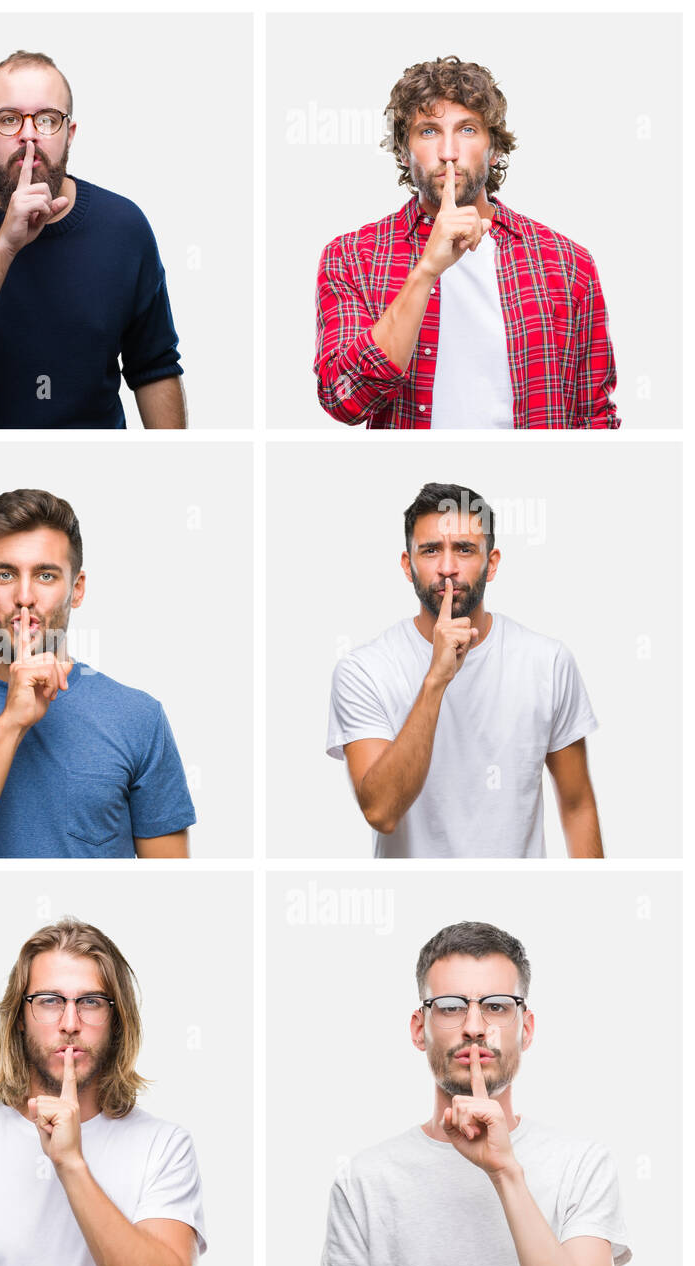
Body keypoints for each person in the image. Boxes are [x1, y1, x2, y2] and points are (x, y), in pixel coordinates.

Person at [0, 918, 206, 1266]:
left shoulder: (165, 1148)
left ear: (116, 1019)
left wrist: (70, 1163)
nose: (70, 1023)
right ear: (20, 1018)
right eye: (49, 1001)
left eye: (91, 1002)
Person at [319, 922, 630, 1266]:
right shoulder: (363, 1181)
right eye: (450, 1007)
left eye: (496, 1006)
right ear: (419, 1030)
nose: (474, 1027)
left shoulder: (582, 1166)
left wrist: (505, 1173)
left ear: (526, 1029)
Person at [314, 55, 618, 429]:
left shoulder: (568, 262)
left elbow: (594, 419)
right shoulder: (352, 256)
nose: (448, 152)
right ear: (404, 150)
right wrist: (426, 271)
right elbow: (343, 399)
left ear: (494, 149)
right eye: (428, 131)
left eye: (468, 130)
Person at [0, 488, 195, 857]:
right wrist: (11, 724)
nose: (25, 596)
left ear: (77, 589)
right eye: (4, 575)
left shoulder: (140, 717)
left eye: (46, 576)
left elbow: (168, 891)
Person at [0, 50, 186, 429]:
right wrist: (4, 245)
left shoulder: (125, 225)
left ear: (69, 133)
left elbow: (155, 367)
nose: (29, 134)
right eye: (9, 120)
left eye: (47, 120)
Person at [326, 482, 602, 857]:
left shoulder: (547, 661)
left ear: (492, 563)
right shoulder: (363, 670)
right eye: (430, 550)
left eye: (465, 549)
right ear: (408, 565)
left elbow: (576, 805)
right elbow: (381, 811)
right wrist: (436, 681)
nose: (447, 568)